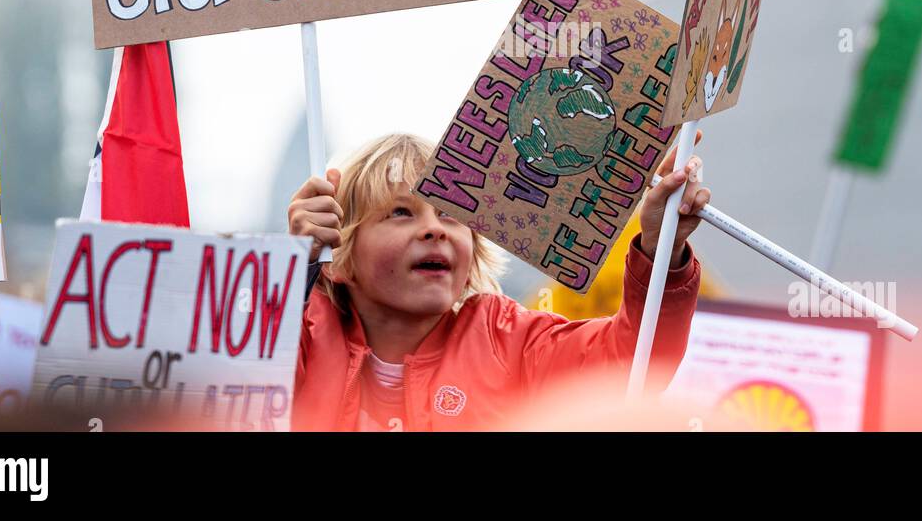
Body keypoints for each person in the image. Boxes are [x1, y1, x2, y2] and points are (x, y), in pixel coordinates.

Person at [287, 131, 710, 431]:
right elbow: (228, 370)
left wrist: (660, 250)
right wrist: (296, 264)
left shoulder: (509, 342)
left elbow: (634, 363)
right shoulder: (294, 340)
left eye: (450, 214)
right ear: (337, 258)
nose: (435, 229)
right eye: (401, 212)